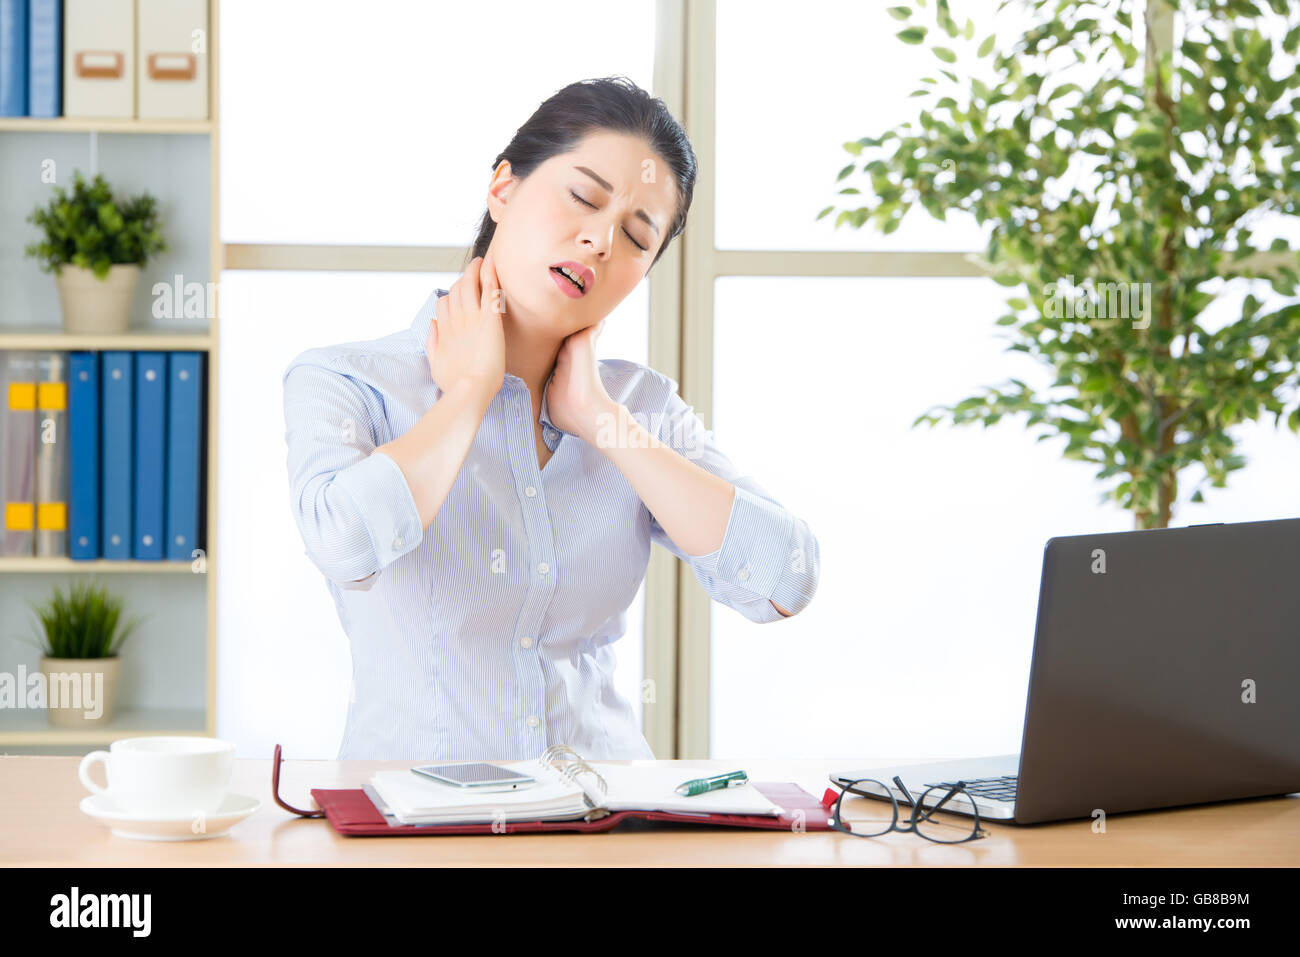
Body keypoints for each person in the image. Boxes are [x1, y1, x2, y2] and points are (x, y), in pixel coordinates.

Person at [282, 76, 820, 761]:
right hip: (416, 832)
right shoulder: (347, 381)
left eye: (635, 235)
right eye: (584, 198)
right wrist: (469, 395)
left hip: (610, 826)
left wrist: (602, 420)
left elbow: (786, 580)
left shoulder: (640, 408)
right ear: (503, 188)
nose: (599, 241)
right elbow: (343, 546)